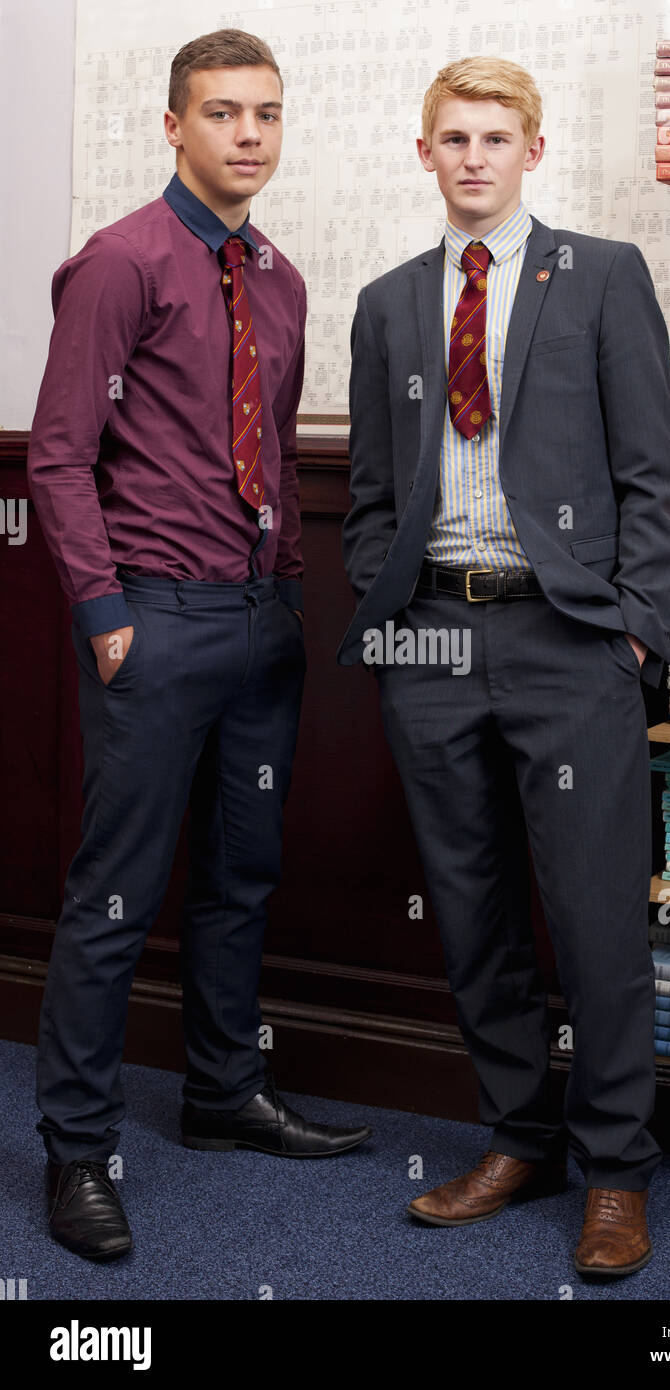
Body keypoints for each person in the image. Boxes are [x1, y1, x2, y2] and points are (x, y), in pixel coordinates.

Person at [28, 27, 371, 1263]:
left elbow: (272, 455)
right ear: (174, 125)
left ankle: (224, 1096)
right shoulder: (119, 263)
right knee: (114, 894)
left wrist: (286, 598)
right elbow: (61, 453)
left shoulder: (278, 275)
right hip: (154, 624)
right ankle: (77, 1151)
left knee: (242, 876)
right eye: (223, 113)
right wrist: (106, 621)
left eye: (266, 114)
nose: (248, 134)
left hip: (257, 625)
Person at [338, 56, 670, 1278]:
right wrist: (386, 626)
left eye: (496, 137)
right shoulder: (385, 304)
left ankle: (618, 1171)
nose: (474, 157)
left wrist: (636, 627)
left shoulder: (600, 275)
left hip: (568, 638)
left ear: (531, 151)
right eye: (453, 138)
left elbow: (652, 468)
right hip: (430, 638)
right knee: (474, 910)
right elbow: (373, 495)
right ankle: (516, 1135)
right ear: (422, 152)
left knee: (595, 921)